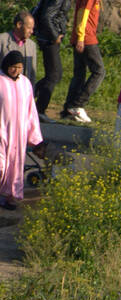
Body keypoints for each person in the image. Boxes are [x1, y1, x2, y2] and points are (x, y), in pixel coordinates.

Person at [0, 49, 42, 209]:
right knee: (1, 165)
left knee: (15, 167)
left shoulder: (25, 83)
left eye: (19, 67)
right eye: (13, 67)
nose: (15, 70)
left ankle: (10, 197)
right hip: (2, 132)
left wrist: (35, 138)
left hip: (19, 135)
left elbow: (31, 111)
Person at [58, 0, 103, 124]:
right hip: (86, 39)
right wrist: (81, 37)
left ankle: (68, 109)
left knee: (79, 74)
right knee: (99, 71)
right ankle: (78, 105)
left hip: (79, 38)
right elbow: (83, 14)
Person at [32, 0, 71, 116]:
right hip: (49, 39)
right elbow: (47, 16)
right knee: (53, 75)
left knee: (56, 75)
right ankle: (39, 110)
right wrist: (54, 36)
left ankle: (27, 97)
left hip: (49, 38)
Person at [0, 13, 38, 88]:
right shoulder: (2, 41)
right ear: (19, 24)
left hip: (22, 93)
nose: (32, 31)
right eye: (29, 28)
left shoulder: (31, 45)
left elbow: (32, 75)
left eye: (32, 28)